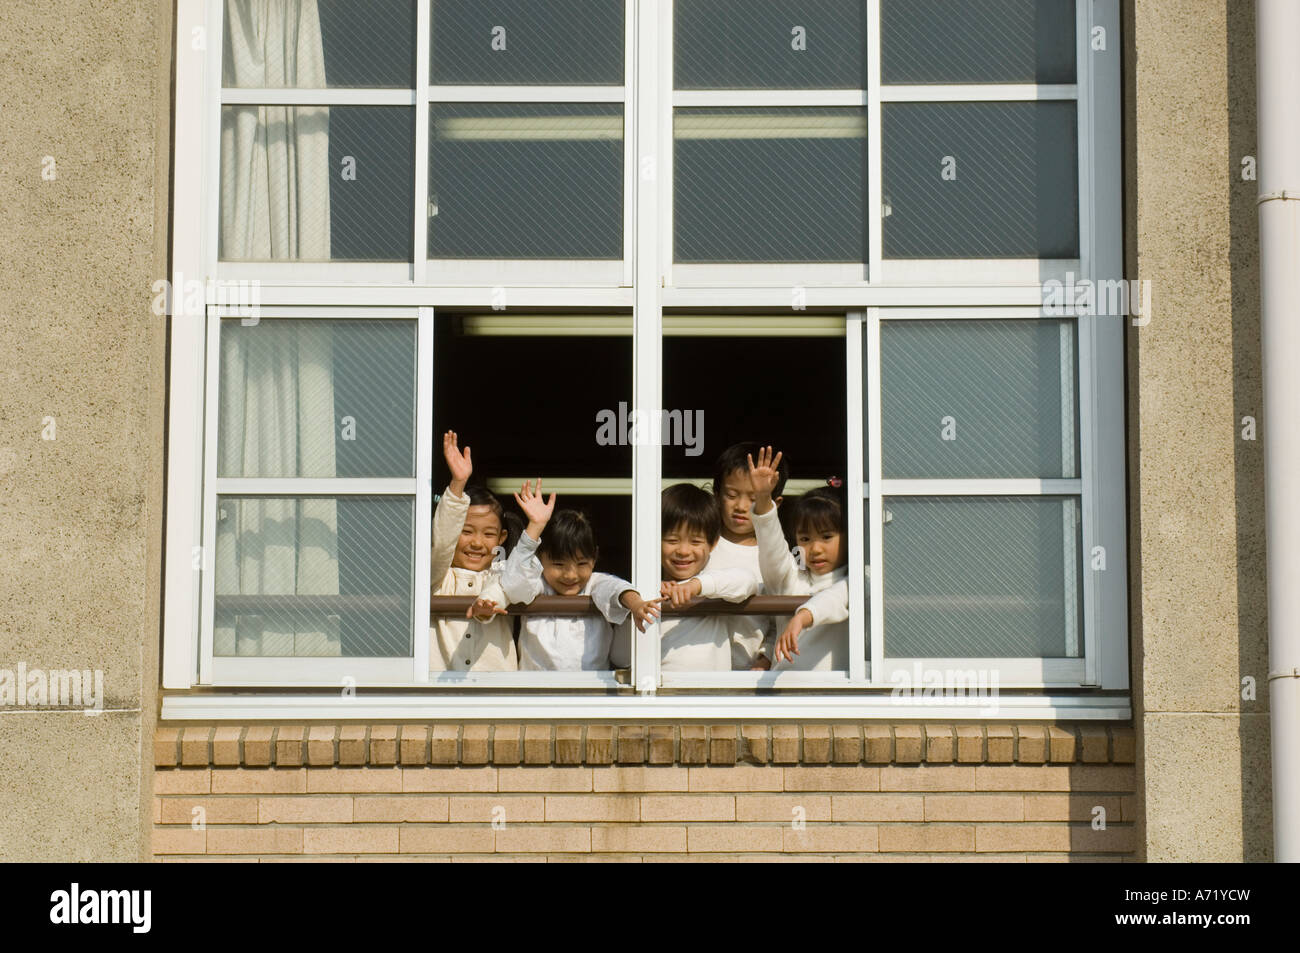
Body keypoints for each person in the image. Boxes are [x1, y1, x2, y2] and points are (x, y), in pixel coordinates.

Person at [501, 480, 660, 671]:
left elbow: (615, 588)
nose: (570, 575)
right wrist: (535, 527)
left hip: (591, 693)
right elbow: (516, 585)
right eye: (558, 564)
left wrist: (636, 604)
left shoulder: (595, 583)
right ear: (540, 557)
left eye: (582, 563)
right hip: (538, 693)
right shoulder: (539, 585)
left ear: (595, 557)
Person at [427, 430, 526, 672]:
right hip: (439, 694)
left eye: (488, 534)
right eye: (466, 531)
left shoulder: (504, 577)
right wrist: (457, 485)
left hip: (496, 696)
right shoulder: (437, 578)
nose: (477, 543)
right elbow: (440, 547)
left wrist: (536, 525)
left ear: (502, 538)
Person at [748, 447, 850, 671]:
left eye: (826, 537)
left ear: (850, 536)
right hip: (783, 698)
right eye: (805, 538)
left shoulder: (859, 580)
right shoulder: (791, 579)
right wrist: (764, 498)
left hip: (836, 698)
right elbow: (772, 548)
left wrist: (802, 617)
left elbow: (835, 596)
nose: (815, 549)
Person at [658, 483, 759, 671]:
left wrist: (694, 586)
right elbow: (621, 656)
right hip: (658, 693)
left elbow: (747, 581)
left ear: (713, 544)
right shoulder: (649, 590)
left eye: (696, 541)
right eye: (672, 540)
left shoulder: (712, 584)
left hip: (712, 693)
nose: (683, 551)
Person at [709, 442, 790, 670]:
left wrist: (767, 657)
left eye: (755, 498)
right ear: (716, 495)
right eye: (732, 495)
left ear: (776, 504)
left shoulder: (776, 559)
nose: (741, 506)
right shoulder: (699, 549)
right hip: (700, 672)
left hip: (752, 676)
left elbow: (781, 621)